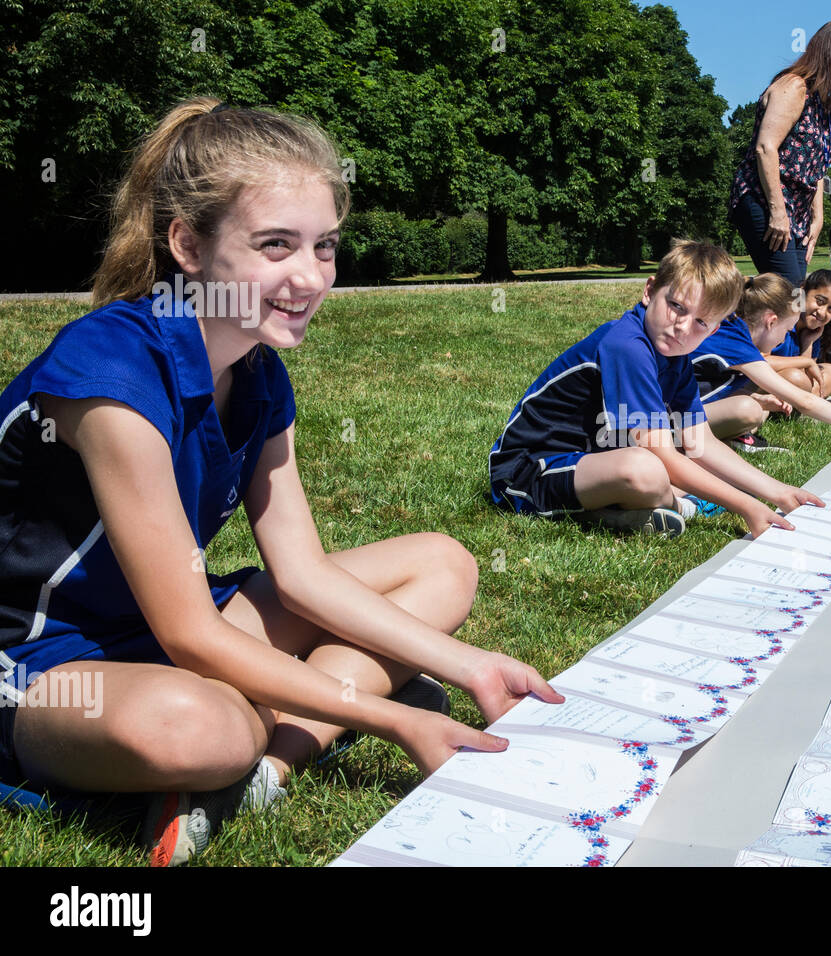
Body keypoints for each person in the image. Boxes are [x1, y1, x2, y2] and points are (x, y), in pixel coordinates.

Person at [0, 98, 565, 866]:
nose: (309, 277)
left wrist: (465, 666)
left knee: (443, 563)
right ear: (188, 245)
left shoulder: (259, 376)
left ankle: (263, 769)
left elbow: (301, 575)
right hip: (41, 666)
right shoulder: (111, 371)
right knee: (198, 727)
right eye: (275, 245)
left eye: (324, 246)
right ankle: (265, 732)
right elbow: (190, 633)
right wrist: (390, 719)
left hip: (161, 627)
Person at [490, 240, 824, 537]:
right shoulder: (627, 345)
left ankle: (619, 512)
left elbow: (700, 441)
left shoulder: (675, 354)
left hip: (593, 458)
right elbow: (660, 453)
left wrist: (777, 490)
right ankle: (674, 506)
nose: (682, 325)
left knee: (659, 469)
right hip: (526, 471)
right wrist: (745, 504)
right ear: (650, 291)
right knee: (647, 470)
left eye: (700, 322)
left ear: (713, 331)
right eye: (677, 306)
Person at [689, 273, 831, 450]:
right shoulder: (737, 345)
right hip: (664, 426)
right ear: (771, 321)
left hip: (671, 416)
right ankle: (711, 440)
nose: (784, 337)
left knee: (753, 404)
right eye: (785, 330)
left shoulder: (733, 329)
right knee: (748, 409)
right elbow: (805, 401)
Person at [728, 21, 831, 285]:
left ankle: (736, 305)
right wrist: (777, 211)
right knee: (788, 288)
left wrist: (818, 219)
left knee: (796, 290)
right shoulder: (794, 87)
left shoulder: (822, 104)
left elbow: (816, 170)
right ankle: (725, 304)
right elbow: (765, 147)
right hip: (764, 198)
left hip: (797, 211)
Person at [766, 270, 831, 402]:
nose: (823, 313)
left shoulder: (813, 331)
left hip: (794, 383)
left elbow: (806, 376)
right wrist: (805, 362)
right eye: (820, 301)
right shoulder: (781, 321)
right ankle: (811, 402)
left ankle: (804, 403)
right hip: (763, 381)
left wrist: (808, 343)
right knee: (796, 378)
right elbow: (760, 361)